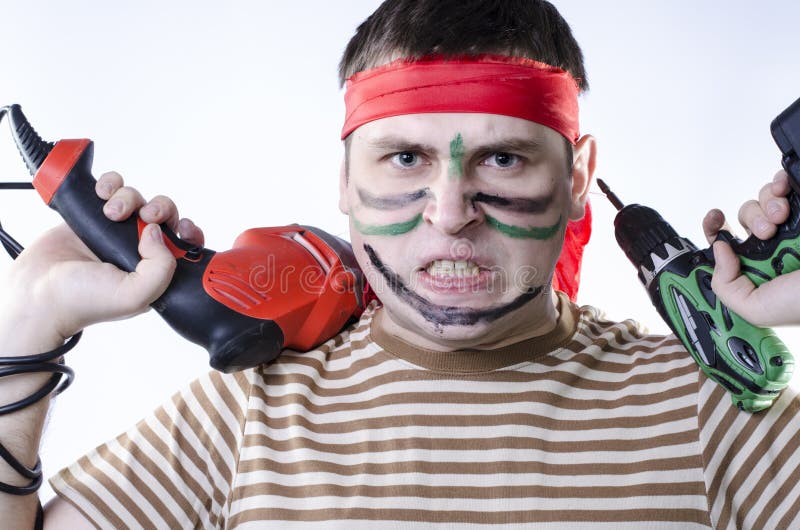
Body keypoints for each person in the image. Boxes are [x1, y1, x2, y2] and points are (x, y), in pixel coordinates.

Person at [1, 0, 799, 528]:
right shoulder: (251, 413)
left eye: (505, 160)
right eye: (406, 157)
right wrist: (26, 321)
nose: (449, 213)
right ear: (345, 179)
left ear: (579, 177)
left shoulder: (711, 408)